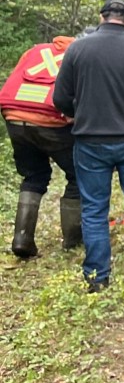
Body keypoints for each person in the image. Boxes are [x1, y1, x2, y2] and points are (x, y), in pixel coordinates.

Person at [53, 0, 124, 294]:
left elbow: (60, 100)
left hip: (90, 141)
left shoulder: (77, 48)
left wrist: (81, 114)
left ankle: (97, 278)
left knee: (93, 210)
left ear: (102, 17)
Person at [2, 34, 81, 256]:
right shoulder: (81, 54)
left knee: (34, 176)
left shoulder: (36, 50)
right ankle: (73, 241)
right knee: (78, 173)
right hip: (50, 120)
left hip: (14, 116)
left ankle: (22, 239)